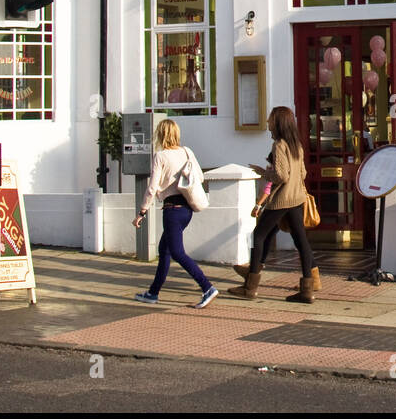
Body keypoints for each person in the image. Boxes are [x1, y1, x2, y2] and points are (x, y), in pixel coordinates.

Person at [230, 106, 317, 303]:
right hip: (297, 199)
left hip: (281, 200)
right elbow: (302, 174)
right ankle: (307, 290)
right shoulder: (297, 145)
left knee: (259, 235)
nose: (268, 123)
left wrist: (263, 172)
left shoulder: (279, 146)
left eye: (270, 119)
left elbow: (281, 176)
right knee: (301, 241)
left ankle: (250, 287)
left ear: (277, 123)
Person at [132, 118, 218, 308]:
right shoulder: (187, 152)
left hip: (172, 210)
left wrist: (142, 212)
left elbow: (152, 187)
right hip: (187, 209)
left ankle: (207, 287)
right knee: (164, 250)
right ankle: (153, 293)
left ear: (161, 135)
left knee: (177, 253)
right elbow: (200, 177)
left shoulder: (160, 156)